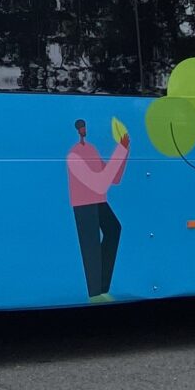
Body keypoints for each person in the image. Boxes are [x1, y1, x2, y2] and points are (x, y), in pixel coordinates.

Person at [66, 117, 129, 301]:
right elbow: (100, 184)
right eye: (82, 127)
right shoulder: (73, 156)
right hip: (83, 204)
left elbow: (114, 178)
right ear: (78, 130)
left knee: (114, 229)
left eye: (85, 127)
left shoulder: (91, 149)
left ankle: (102, 288)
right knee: (90, 247)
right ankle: (95, 293)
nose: (84, 130)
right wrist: (120, 150)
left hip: (99, 201)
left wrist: (124, 150)